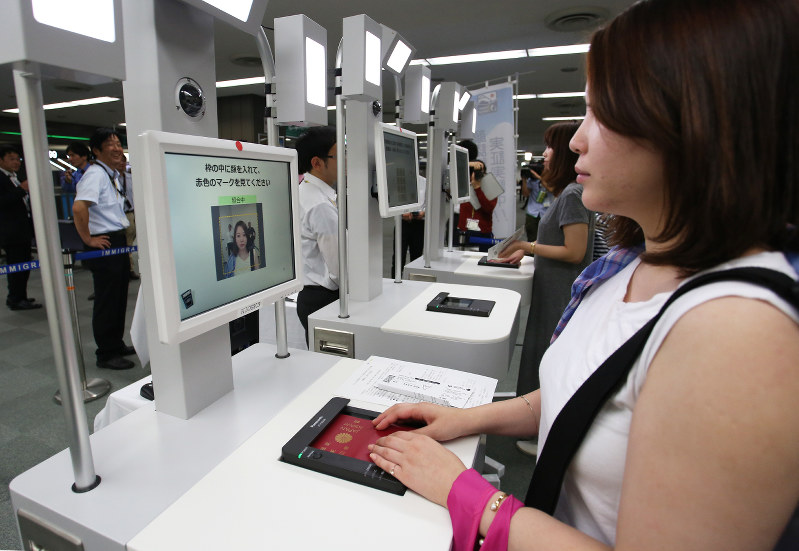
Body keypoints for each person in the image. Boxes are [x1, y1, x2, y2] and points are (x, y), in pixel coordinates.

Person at [367, 1, 799, 550]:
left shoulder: (740, 331)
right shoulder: (633, 265)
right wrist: (464, 419)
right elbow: (582, 395)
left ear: (692, 125)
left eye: (602, 113)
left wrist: (467, 493)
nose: (576, 142)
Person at [504, 122, 593, 406]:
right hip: (553, 288)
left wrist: (526, 246)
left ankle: (537, 427)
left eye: (551, 146)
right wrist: (529, 253)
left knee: (548, 355)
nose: (546, 153)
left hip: (560, 292)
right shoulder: (567, 193)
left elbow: (574, 251)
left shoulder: (571, 195)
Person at [73, 128, 135, 370]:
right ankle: (106, 353)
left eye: (119, 143)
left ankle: (115, 344)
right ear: (96, 150)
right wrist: (88, 239)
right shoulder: (96, 174)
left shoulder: (111, 175)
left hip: (116, 241)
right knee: (107, 299)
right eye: (110, 144)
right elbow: (79, 208)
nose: (117, 148)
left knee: (118, 296)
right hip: (104, 241)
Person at [295, 126, 339, 347]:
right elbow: (338, 268)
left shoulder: (309, 192)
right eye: (338, 155)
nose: (345, 160)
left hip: (312, 295)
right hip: (323, 298)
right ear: (317, 163)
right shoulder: (319, 204)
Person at [0, 145, 41, 311]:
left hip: (22, 230)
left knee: (23, 265)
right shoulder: (2, 179)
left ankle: (20, 296)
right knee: (16, 266)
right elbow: (3, 202)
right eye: (11, 159)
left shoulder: (14, 177)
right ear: (1, 160)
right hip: (11, 232)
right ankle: (15, 298)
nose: (16, 162)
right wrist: (21, 190)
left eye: (18, 159)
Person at [456, 159, 497, 252]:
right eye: (472, 171)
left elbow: (488, 208)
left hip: (483, 232)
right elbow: (452, 168)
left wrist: (477, 188)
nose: (475, 174)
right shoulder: (463, 185)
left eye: (478, 171)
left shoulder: (491, 186)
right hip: (464, 231)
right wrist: (468, 164)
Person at [113, 155, 138, 280]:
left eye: (124, 162)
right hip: (122, 214)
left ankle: (130, 267)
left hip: (134, 213)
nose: (122, 164)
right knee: (127, 243)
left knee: (132, 241)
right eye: (119, 161)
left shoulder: (131, 178)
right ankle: (130, 269)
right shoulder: (112, 179)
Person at [521, 164, 553, 242]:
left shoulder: (551, 180)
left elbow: (552, 190)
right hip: (532, 213)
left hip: (546, 213)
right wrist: (524, 179)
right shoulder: (531, 180)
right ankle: (531, 254)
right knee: (531, 238)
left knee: (546, 238)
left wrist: (540, 178)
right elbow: (525, 194)